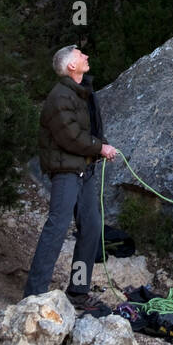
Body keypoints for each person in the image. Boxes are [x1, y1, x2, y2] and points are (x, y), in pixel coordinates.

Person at [22, 45, 118, 317]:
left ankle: (77, 291)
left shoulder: (81, 92)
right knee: (57, 226)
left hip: (84, 171)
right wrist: (100, 148)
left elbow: (89, 130)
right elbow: (70, 136)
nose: (86, 56)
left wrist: (101, 145)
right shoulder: (59, 96)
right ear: (70, 67)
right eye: (80, 55)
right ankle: (34, 293)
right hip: (66, 173)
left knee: (92, 227)